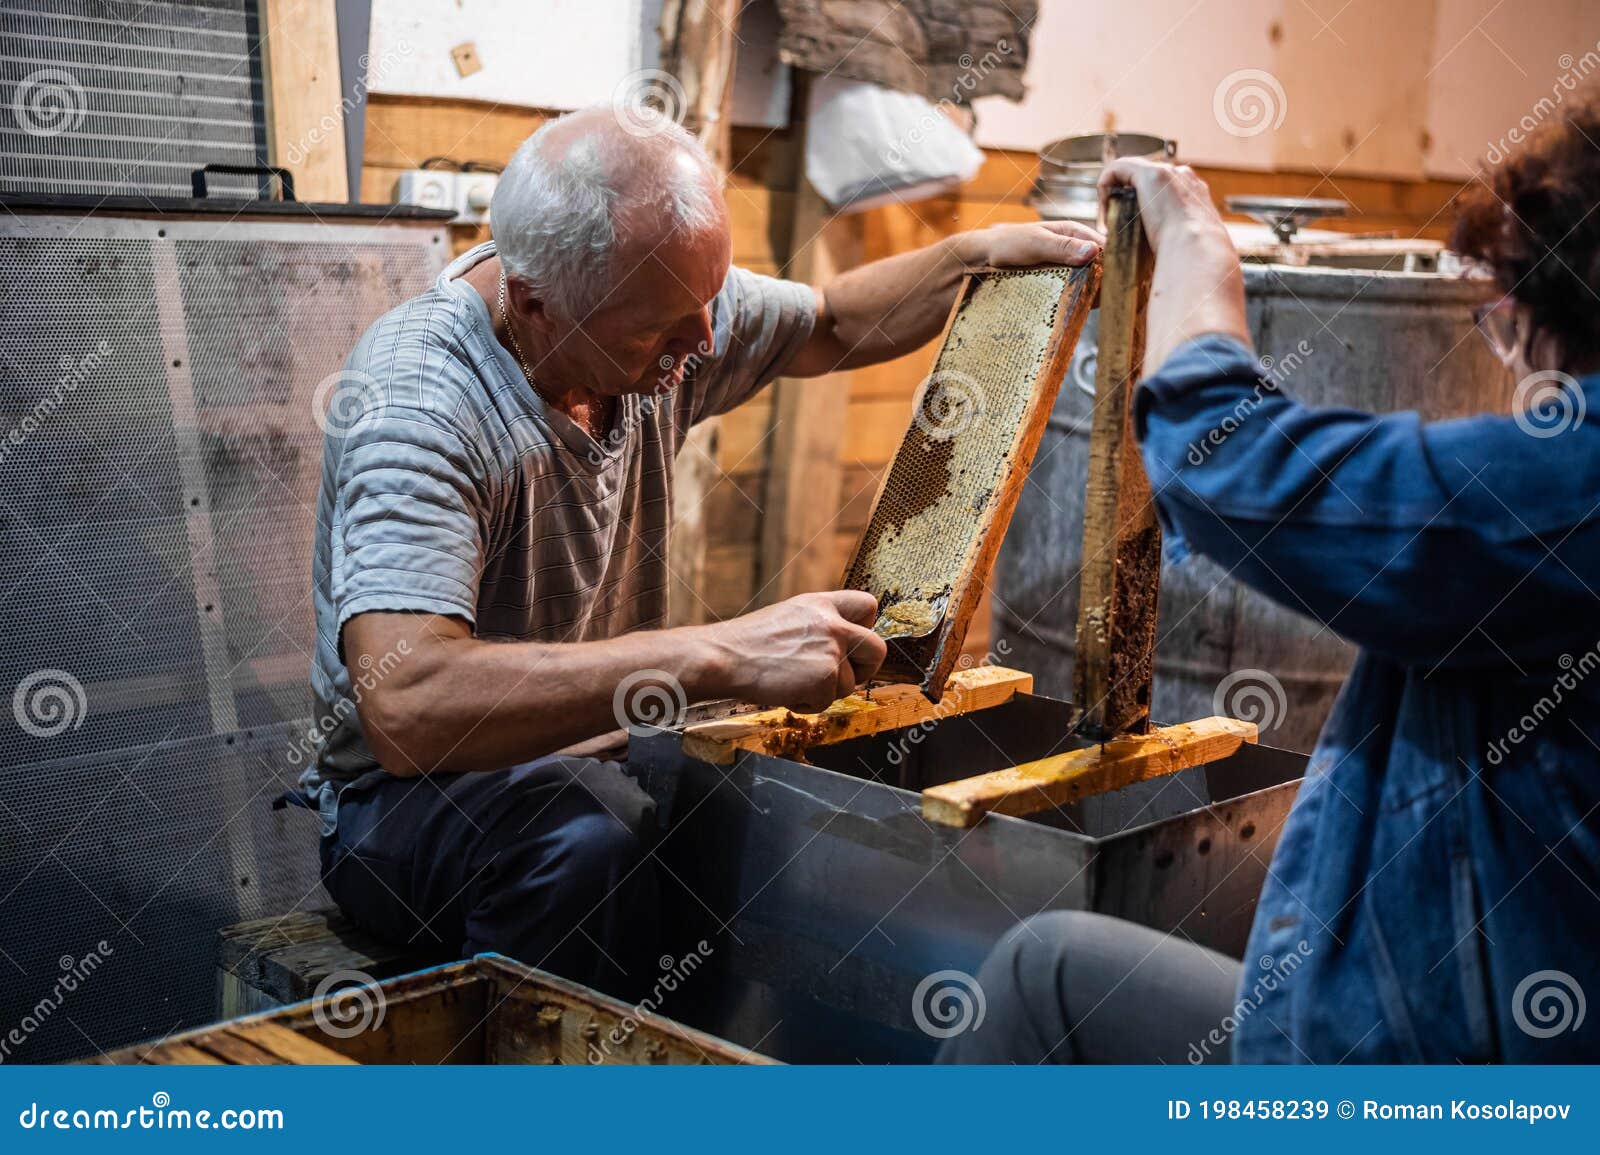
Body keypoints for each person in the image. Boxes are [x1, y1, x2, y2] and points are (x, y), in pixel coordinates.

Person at [295, 105, 1103, 1000]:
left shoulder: (653, 312)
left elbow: (830, 322)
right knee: (586, 837)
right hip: (409, 807)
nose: (707, 343)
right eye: (667, 328)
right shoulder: (419, 401)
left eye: (709, 304)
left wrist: (969, 257)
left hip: (594, 760)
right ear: (533, 300)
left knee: (756, 815)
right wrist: (724, 654)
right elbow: (408, 708)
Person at [941, 91, 1600, 1063]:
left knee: (1039, 981)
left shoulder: (1570, 489)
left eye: (1507, 318)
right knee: (1051, 973)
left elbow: (1228, 464)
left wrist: (1200, 260)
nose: (1508, 355)